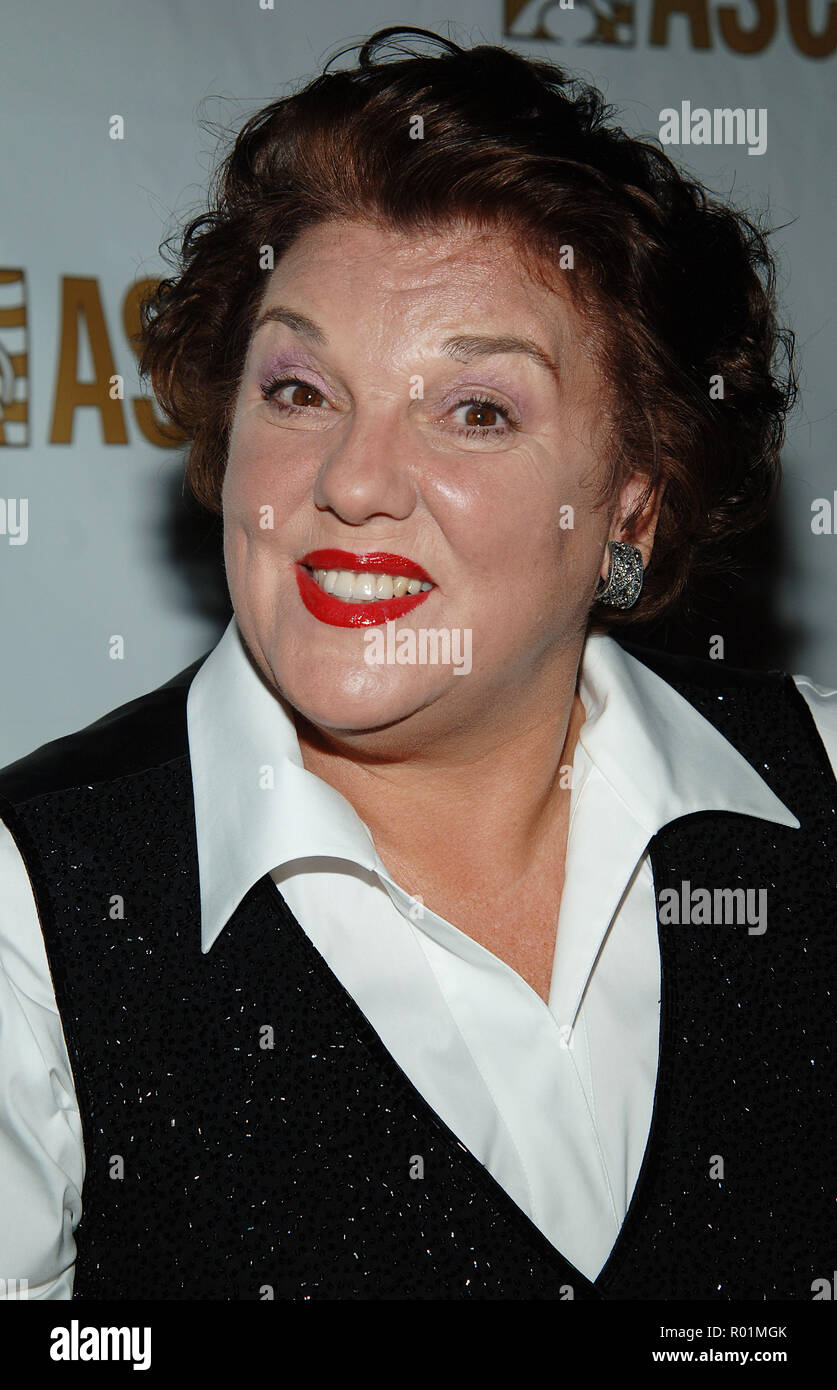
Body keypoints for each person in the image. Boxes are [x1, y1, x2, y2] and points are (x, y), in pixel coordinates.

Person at [0, 25, 834, 1302]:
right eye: (298, 390)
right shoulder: (34, 907)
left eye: (477, 410)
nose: (351, 479)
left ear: (632, 497)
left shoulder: (821, 778)